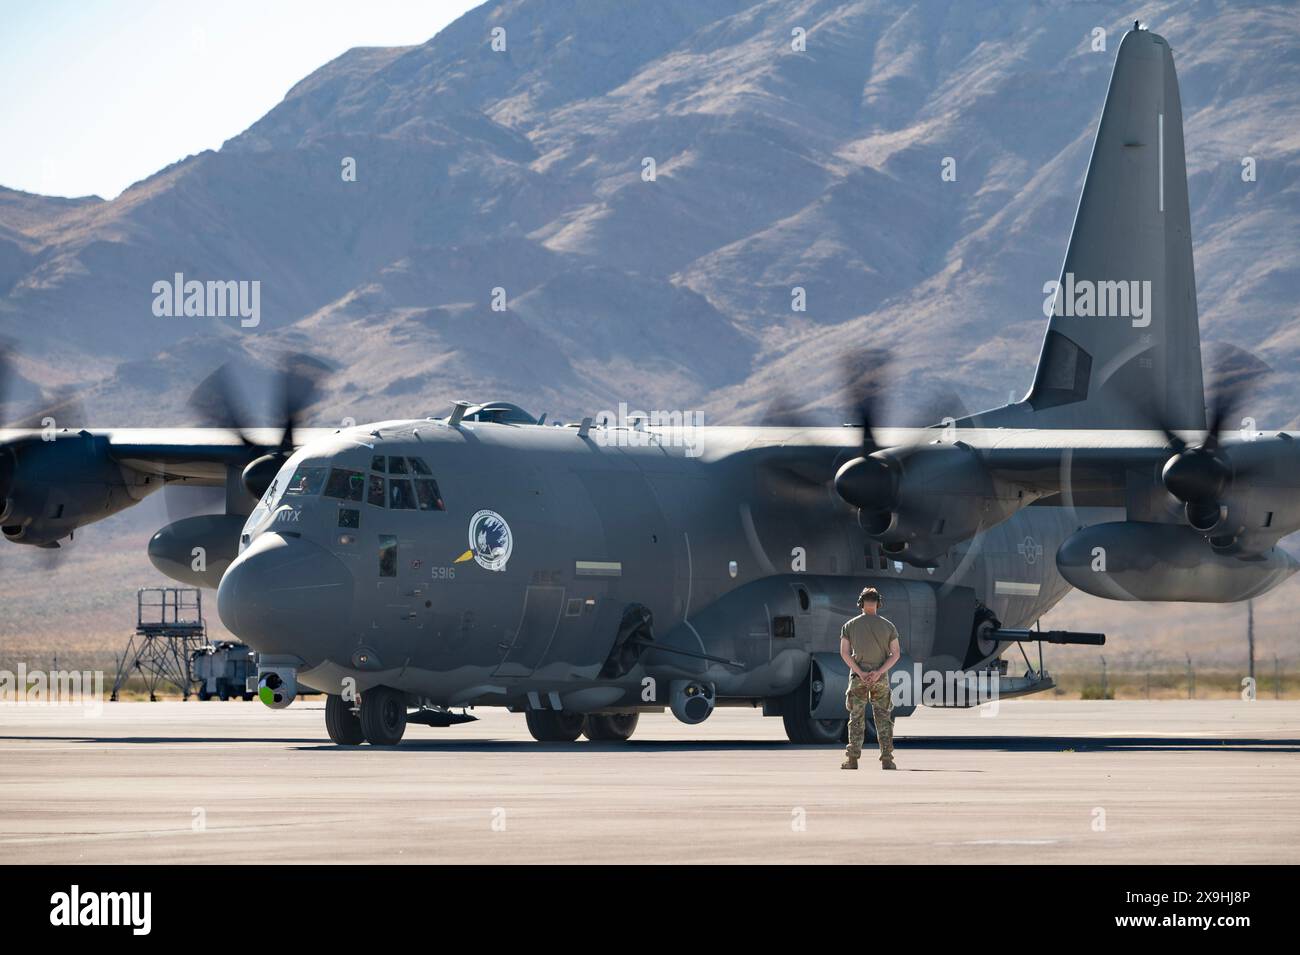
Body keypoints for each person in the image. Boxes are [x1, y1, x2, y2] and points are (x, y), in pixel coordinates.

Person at [839, 587, 900, 770]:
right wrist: (879, 672)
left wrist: (861, 672)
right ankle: (887, 759)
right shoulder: (889, 626)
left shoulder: (849, 625)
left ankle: (852, 760)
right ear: (878, 603)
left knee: (856, 718)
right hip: (880, 679)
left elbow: (844, 653)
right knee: (883, 719)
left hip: (859, 678)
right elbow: (895, 654)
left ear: (861, 603)